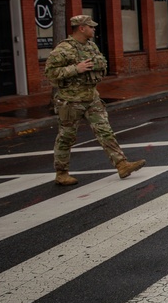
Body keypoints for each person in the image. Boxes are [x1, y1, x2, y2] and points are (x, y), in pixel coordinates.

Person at [44, 15, 145, 186]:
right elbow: (50, 74)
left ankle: (122, 165)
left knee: (105, 131)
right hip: (71, 101)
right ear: (81, 28)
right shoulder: (63, 49)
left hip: (92, 98)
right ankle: (61, 173)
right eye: (91, 27)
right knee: (66, 137)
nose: (94, 29)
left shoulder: (91, 46)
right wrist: (75, 69)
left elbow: (101, 66)